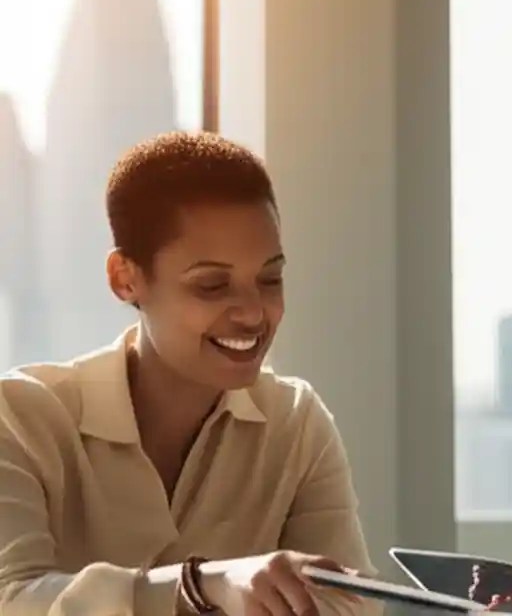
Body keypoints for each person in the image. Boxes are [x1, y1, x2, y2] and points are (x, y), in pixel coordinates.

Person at [0, 132, 377, 616]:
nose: (252, 313)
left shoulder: (297, 422)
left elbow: (350, 605)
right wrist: (203, 586)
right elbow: (12, 601)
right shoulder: (20, 418)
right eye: (212, 285)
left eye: (269, 279)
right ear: (126, 279)